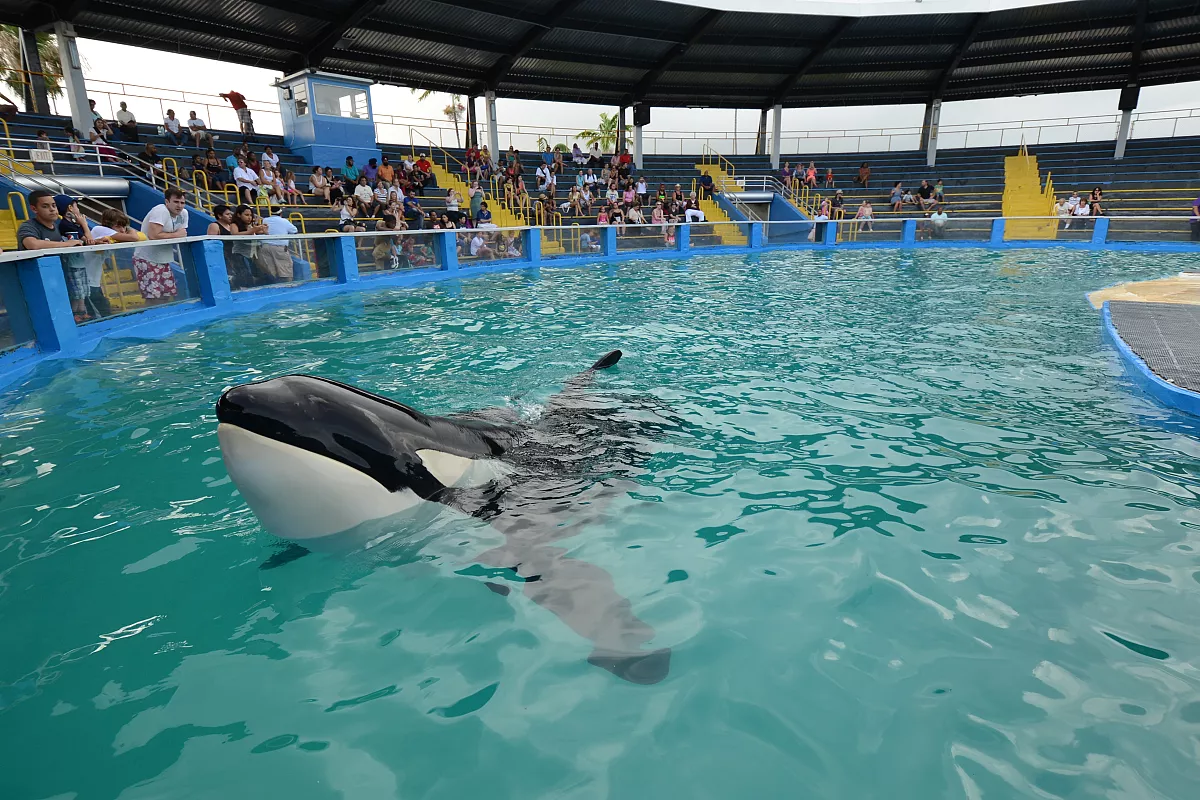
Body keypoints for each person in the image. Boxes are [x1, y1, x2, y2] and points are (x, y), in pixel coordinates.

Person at [18, 190, 90, 321]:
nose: (52, 209)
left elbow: (76, 240)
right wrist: (67, 244)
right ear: (34, 209)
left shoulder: (57, 227)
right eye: (45, 206)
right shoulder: (28, 226)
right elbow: (32, 244)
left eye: (54, 205)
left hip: (58, 282)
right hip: (38, 286)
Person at [133, 188, 189, 305]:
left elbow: (182, 233)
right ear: (167, 202)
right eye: (176, 202)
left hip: (164, 259)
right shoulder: (160, 211)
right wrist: (176, 235)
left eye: (182, 202)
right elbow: (153, 235)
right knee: (152, 296)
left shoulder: (184, 213)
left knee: (166, 294)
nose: (179, 206)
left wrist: (176, 235)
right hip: (146, 258)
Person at [86, 209, 144, 317]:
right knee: (99, 315)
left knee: (105, 312)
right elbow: (134, 237)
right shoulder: (99, 229)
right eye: (118, 226)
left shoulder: (112, 237)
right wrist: (130, 230)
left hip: (94, 282)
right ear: (108, 225)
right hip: (87, 282)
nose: (122, 230)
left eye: (124, 226)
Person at [256, 207, 297, 282]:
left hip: (265, 247)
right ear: (281, 214)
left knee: (271, 273)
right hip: (280, 249)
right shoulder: (284, 221)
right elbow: (295, 231)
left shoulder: (265, 220)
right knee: (286, 273)